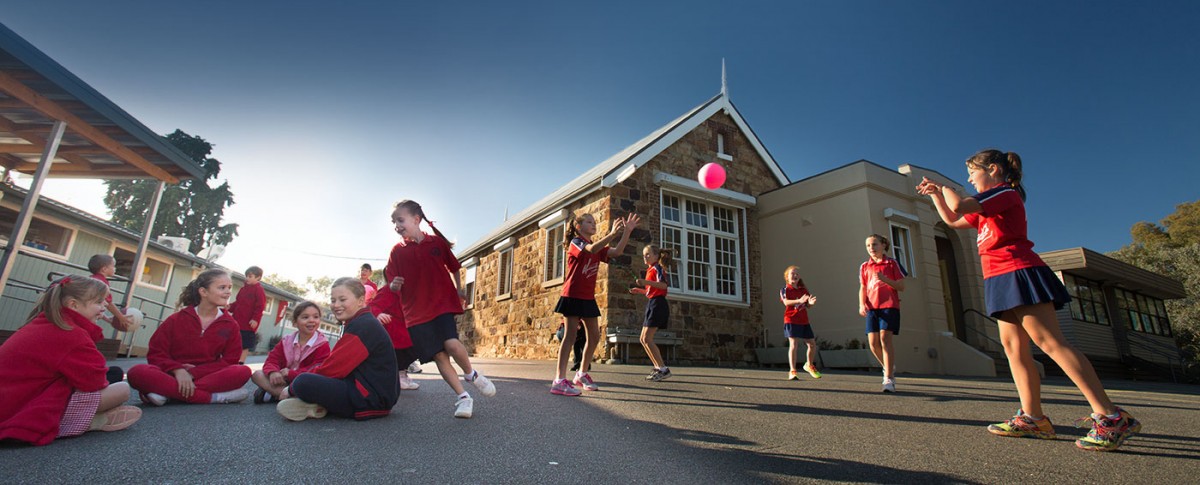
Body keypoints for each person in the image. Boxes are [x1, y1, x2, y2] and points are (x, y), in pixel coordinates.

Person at [917, 148, 1141, 451]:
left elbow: (957, 204)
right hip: (998, 277)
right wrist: (934, 195)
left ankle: (1111, 416)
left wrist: (945, 188)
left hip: (1018, 270)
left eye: (972, 171)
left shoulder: (1002, 193)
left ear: (994, 169)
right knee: (1013, 349)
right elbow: (953, 220)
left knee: (1051, 343)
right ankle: (1034, 418)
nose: (969, 177)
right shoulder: (986, 206)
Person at [0, 276, 141, 446]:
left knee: (114, 373)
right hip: (18, 409)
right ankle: (78, 421)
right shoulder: (72, 334)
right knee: (122, 389)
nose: (104, 306)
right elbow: (95, 382)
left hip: (12, 396)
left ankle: (85, 417)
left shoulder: (44, 322)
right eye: (98, 302)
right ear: (73, 305)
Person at [386, 200, 496, 418]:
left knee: (451, 344)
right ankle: (463, 397)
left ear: (416, 220)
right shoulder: (397, 252)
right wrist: (394, 285)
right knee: (439, 356)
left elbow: (454, 268)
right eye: (393, 222)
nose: (396, 225)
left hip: (441, 305)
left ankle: (471, 374)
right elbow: (390, 281)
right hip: (415, 314)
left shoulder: (436, 243)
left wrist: (459, 290)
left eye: (400, 220)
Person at [276, 278, 399, 421]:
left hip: (371, 399)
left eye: (342, 300)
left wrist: (291, 387)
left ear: (360, 301)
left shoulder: (364, 325)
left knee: (303, 381)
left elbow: (333, 368)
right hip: (369, 392)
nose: (336, 305)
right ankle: (314, 406)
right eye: (333, 300)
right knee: (305, 379)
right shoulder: (360, 321)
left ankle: (289, 396)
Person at [127, 269, 252, 405]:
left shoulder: (231, 324)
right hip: (172, 373)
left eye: (229, 287)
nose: (228, 292)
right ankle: (212, 397)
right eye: (222, 287)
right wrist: (178, 370)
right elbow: (156, 353)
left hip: (206, 375)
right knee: (137, 372)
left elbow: (230, 361)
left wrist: (193, 373)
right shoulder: (175, 319)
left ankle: (167, 393)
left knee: (242, 371)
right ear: (203, 292)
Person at [550, 211, 639, 396]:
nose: (593, 224)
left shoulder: (596, 246)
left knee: (595, 336)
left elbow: (617, 252)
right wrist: (612, 234)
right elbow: (590, 250)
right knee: (570, 336)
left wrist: (626, 232)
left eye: (594, 221)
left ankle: (581, 374)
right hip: (572, 295)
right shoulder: (577, 243)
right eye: (589, 222)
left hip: (588, 298)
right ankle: (559, 380)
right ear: (578, 226)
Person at [251, 301, 331, 404]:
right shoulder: (286, 341)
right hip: (284, 381)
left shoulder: (322, 344)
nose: (311, 320)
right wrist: (273, 372)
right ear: (295, 322)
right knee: (257, 375)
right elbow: (272, 360)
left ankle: (272, 394)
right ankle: (291, 399)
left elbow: (317, 369)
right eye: (305, 317)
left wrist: (291, 374)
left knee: (316, 385)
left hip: (304, 381)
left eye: (316, 317)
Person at [858, 235, 906, 392]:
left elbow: (901, 286)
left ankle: (889, 379)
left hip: (889, 305)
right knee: (873, 343)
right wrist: (861, 304)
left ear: (883, 245)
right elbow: (863, 288)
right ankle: (888, 367)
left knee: (885, 338)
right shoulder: (865, 266)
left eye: (874, 244)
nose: (871, 248)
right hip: (872, 307)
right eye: (868, 245)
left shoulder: (891, 263)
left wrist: (885, 279)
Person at [87, 254, 135, 384]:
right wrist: (121, 318)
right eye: (113, 266)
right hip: (87, 325)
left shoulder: (90, 280)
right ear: (104, 269)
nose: (115, 269)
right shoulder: (101, 283)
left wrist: (108, 319)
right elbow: (108, 303)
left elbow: (95, 305)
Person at [629, 244, 672, 381]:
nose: (645, 257)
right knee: (643, 339)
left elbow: (664, 286)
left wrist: (645, 281)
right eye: (643, 255)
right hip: (652, 302)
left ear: (656, 256)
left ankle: (663, 369)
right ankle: (658, 368)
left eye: (648, 254)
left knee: (647, 338)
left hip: (658, 304)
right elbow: (651, 291)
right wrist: (640, 290)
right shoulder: (650, 270)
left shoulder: (657, 268)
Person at [368, 282, 421, 390]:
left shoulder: (413, 289)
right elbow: (374, 305)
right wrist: (379, 314)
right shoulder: (389, 289)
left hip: (408, 326)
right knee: (408, 349)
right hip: (394, 328)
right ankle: (399, 375)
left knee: (421, 345)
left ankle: (401, 374)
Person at [780, 266, 819, 381]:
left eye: (797, 274)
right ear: (787, 277)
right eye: (792, 274)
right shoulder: (785, 289)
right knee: (793, 344)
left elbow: (807, 306)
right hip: (791, 319)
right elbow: (786, 302)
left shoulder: (803, 290)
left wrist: (811, 303)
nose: (795, 275)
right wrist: (799, 301)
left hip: (803, 320)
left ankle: (809, 365)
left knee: (812, 344)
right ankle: (792, 370)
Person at [229, 266, 266, 364]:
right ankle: (230, 360)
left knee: (244, 344)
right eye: (247, 276)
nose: (247, 278)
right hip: (236, 320)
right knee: (233, 341)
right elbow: (238, 302)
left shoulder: (259, 290)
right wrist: (229, 307)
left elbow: (260, 306)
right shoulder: (243, 289)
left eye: (250, 276)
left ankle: (240, 362)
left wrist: (255, 319)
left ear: (258, 277)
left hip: (248, 324)